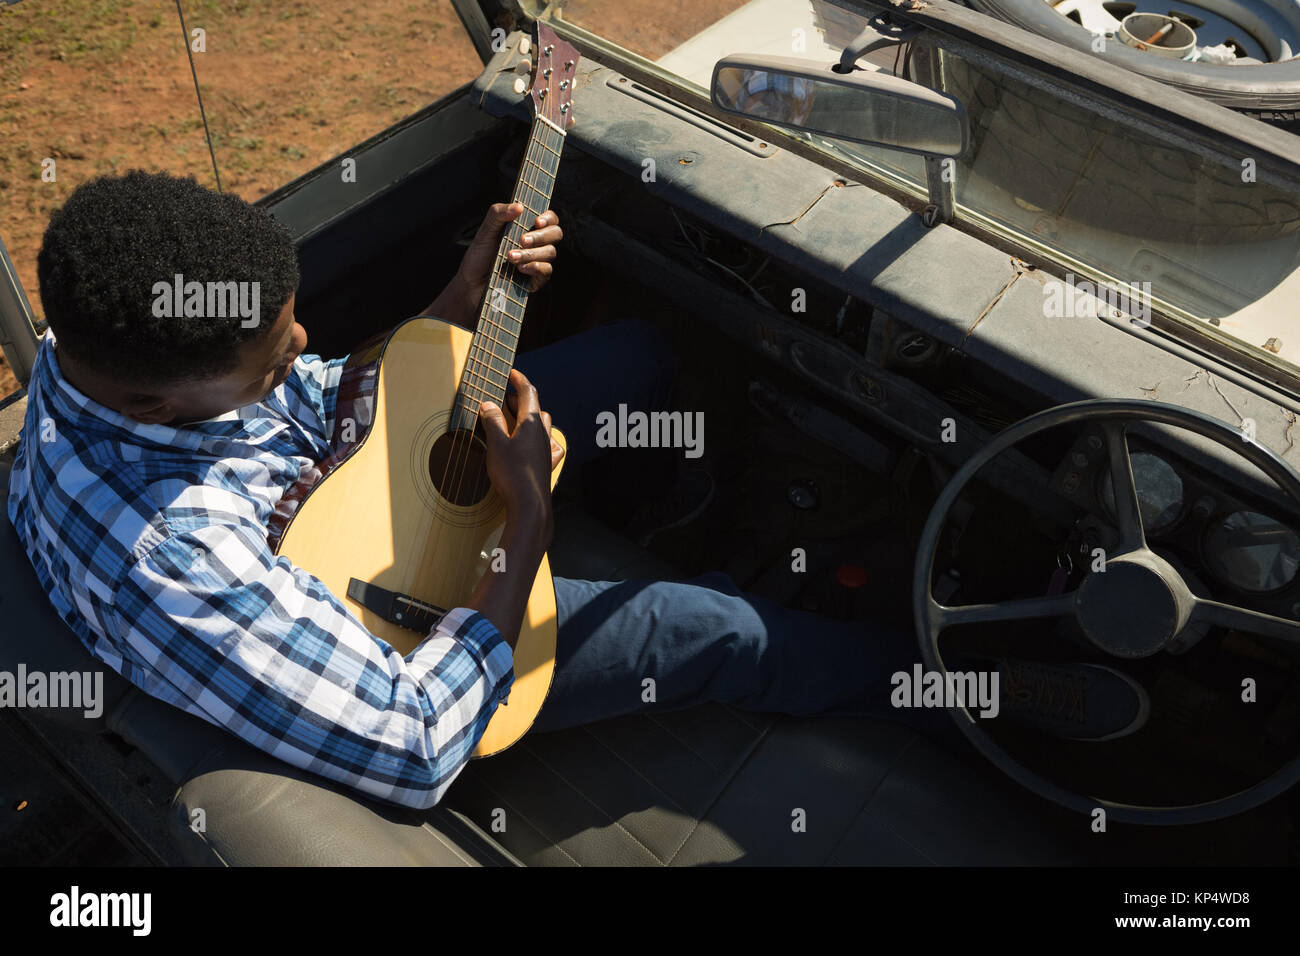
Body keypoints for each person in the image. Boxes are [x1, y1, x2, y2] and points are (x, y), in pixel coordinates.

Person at [7, 170, 950, 811]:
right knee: (712, 627)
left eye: (287, 327)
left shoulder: (100, 357)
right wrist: (529, 518)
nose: (301, 347)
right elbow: (413, 744)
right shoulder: (173, 557)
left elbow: (318, 403)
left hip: (330, 500)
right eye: (267, 360)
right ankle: (942, 682)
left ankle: (680, 506)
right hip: (398, 625)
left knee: (637, 355)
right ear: (157, 401)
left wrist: (462, 298)